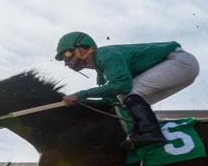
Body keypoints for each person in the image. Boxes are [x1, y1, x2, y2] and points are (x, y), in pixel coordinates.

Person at [55, 32, 199, 147]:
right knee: (126, 101)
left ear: (82, 49)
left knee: (127, 92)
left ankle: (150, 132)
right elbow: (111, 102)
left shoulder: (106, 55)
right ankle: (143, 131)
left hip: (180, 62)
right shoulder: (101, 73)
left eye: (67, 55)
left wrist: (80, 95)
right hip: (182, 67)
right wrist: (81, 102)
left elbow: (122, 86)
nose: (66, 63)